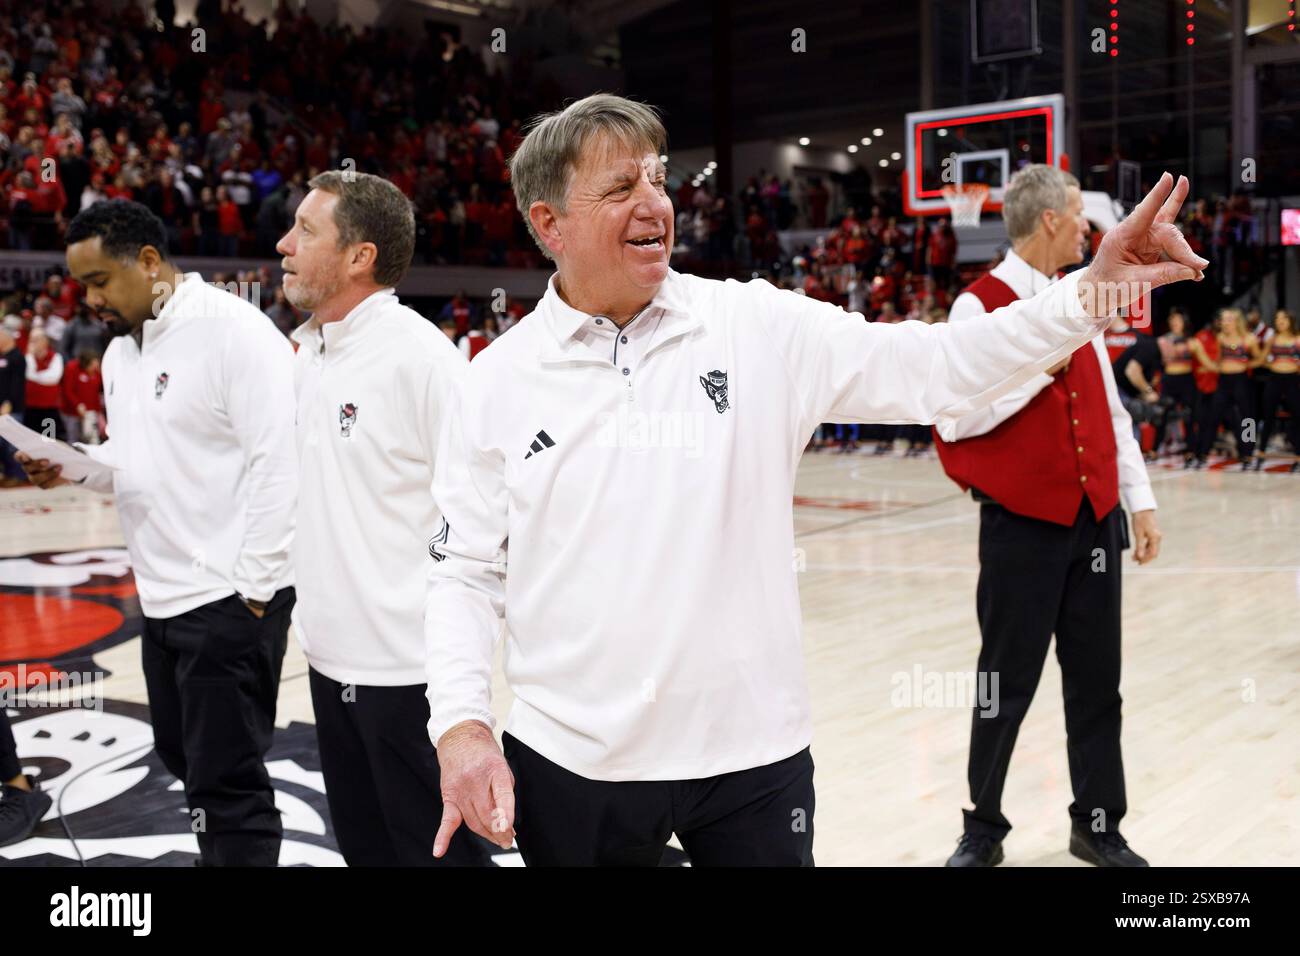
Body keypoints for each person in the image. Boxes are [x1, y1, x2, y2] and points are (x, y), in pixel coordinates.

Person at [424, 95, 1205, 867]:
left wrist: (1096, 291)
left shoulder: (757, 325)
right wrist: (461, 726)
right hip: (574, 761)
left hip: (754, 757)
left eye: (657, 180)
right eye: (621, 188)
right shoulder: (494, 382)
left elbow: (939, 367)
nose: (654, 203)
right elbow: (461, 573)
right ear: (549, 222)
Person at [18, 199, 297, 867]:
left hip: (227, 598)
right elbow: (131, 458)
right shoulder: (121, 355)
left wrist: (252, 596)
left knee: (226, 780)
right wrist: (73, 468)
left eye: (99, 282)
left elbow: (281, 461)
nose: (90, 301)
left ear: (148, 262)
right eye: (81, 286)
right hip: (163, 597)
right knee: (183, 756)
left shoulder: (234, 331)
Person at [933, 164, 1162, 867]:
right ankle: (983, 826)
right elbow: (955, 416)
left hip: (1096, 521)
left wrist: (1140, 499)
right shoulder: (978, 306)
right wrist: (1039, 365)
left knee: (1098, 683)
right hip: (1021, 529)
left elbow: (1111, 412)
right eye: (1078, 215)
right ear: (1051, 221)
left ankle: (1097, 824)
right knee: (1005, 683)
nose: (1090, 229)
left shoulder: (1077, 299)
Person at [276, 171, 492, 866]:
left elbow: (482, 514)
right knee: (368, 850)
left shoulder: (421, 358)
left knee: (437, 856)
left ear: (358, 256)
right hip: (330, 660)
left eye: (306, 230)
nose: (285, 244)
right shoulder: (308, 352)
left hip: (408, 675)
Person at [1257, 309, 1299, 470]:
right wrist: (1275, 364)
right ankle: (1260, 453)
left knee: (1297, 416)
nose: (1280, 321)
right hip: (1274, 379)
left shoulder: (1297, 339)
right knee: (1267, 416)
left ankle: (1298, 456)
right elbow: (1261, 360)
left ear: (1291, 320)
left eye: (1284, 318)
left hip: (1292, 380)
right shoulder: (1272, 339)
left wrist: (1292, 365)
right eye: (1277, 318)